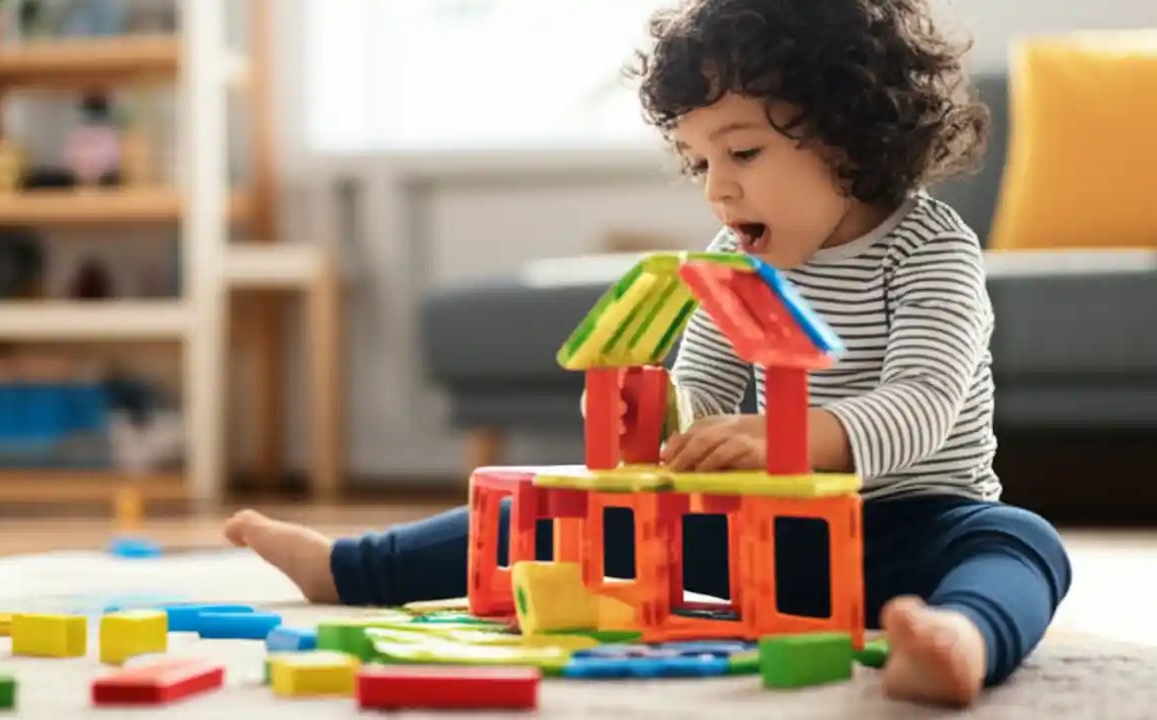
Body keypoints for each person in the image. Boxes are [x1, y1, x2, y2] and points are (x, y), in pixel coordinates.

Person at [224, 0, 1071, 707]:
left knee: (1023, 541)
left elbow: (925, 399)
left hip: (913, 528)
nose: (717, 186)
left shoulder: (930, 247)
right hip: (755, 539)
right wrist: (657, 419)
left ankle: (958, 637)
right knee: (559, 511)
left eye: (742, 152)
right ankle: (352, 567)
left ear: (851, 140)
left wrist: (801, 440)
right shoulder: (733, 258)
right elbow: (698, 383)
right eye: (699, 159)